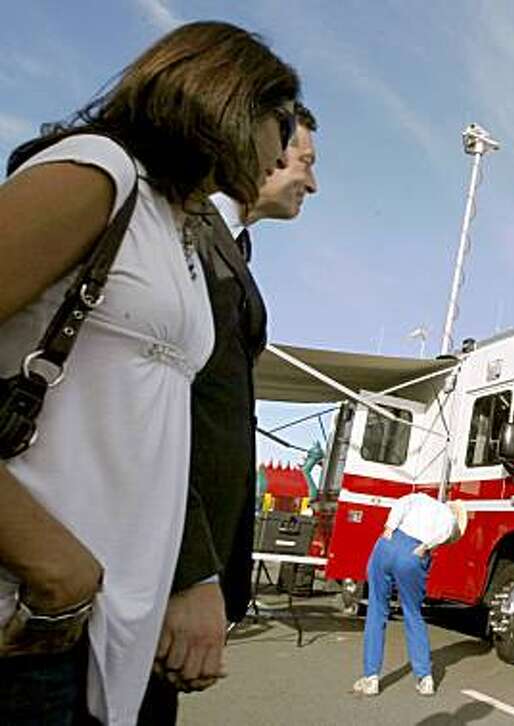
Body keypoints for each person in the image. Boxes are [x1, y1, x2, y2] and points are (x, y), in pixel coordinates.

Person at [0, 21, 298, 725]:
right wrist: (50, 564)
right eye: (280, 123)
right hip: (29, 624)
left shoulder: (176, 230)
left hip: (105, 635)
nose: (285, 151)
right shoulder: (97, 171)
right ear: (227, 97)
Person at [137, 104, 318, 724]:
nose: (311, 182)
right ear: (262, 149)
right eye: (304, 161)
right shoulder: (191, 240)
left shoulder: (223, 248)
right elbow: (165, 414)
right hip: (156, 572)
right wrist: (192, 572)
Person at [353, 493, 468, 697]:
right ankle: (425, 678)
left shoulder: (421, 498)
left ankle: (371, 677)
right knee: (412, 613)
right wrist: (425, 547)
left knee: (377, 609)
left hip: (390, 544)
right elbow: (441, 536)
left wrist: (389, 527)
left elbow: (401, 503)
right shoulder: (449, 521)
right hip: (415, 554)